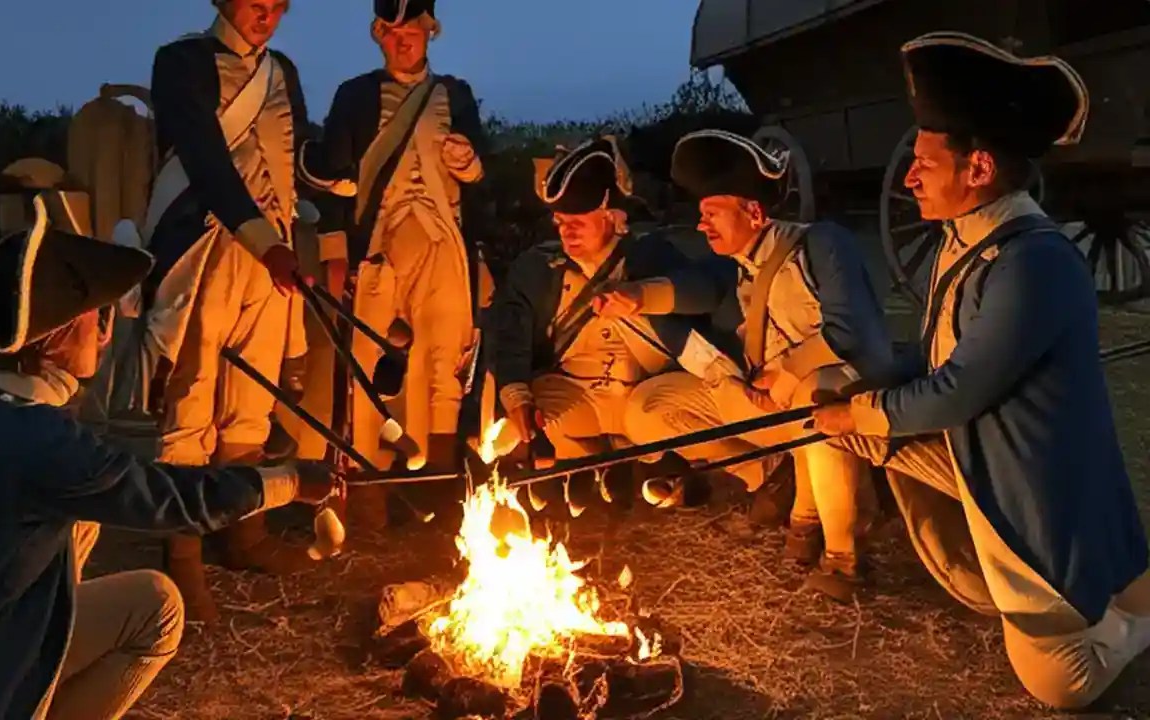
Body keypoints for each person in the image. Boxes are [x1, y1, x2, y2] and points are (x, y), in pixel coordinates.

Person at [0, 195, 335, 720]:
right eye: (97, 315)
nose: (106, 330)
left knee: (81, 526)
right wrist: (289, 480)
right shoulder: (32, 440)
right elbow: (173, 501)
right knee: (156, 609)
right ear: (56, 340)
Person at [810, 32, 1150, 709]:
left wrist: (859, 413)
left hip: (1036, 481)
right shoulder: (970, 242)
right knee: (843, 412)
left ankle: (1131, 627)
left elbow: (960, 389)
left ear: (979, 168)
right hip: (980, 450)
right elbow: (937, 357)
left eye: (924, 164)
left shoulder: (1033, 261)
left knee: (1058, 686)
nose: (910, 178)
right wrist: (863, 390)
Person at [604, 128, 895, 596]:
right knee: (650, 405)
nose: (702, 226)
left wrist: (788, 372)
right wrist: (636, 297)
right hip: (769, 400)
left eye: (712, 213)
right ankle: (778, 478)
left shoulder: (822, 244)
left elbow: (850, 331)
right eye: (701, 215)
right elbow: (698, 288)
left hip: (840, 399)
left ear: (754, 213)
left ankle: (841, 554)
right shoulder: (738, 263)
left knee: (815, 391)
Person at [141, 0, 323, 623]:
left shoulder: (282, 71)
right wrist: (264, 242)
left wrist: (337, 174)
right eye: (254, 2)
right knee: (190, 401)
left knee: (252, 400)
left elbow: (300, 158)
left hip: (271, 251)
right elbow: (204, 157)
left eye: (277, 6)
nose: (266, 15)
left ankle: (243, 535)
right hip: (205, 246)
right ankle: (183, 558)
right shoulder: (181, 60)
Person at [312, 0, 491, 525]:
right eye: (391, 31)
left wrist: (468, 163)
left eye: (412, 29)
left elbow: (482, 174)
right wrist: (335, 253)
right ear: (378, 34)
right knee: (366, 365)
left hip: (443, 243)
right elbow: (329, 179)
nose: (402, 40)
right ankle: (367, 490)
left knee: (444, 362)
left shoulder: (455, 94)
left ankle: (437, 485)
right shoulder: (354, 95)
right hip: (379, 245)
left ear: (430, 31)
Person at [490, 136, 727, 516]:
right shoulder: (537, 268)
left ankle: (671, 464)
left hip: (643, 391)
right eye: (560, 223)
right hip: (574, 391)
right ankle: (591, 463)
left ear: (612, 218)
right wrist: (517, 398)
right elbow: (510, 334)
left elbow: (706, 289)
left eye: (578, 223)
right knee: (527, 422)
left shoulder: (650, 254)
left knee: (650, 415)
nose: (567, 233)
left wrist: (643, 296)